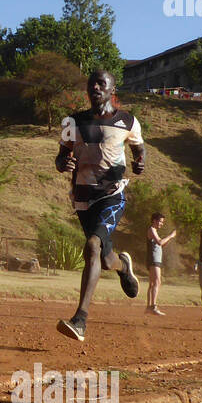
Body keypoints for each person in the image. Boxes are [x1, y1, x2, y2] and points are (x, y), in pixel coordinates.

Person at [55, 70, 145, 343]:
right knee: (105, 259)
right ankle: (122, 267)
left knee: (92, 246)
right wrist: (64, 163)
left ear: (112, 89)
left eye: (101, 83)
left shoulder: (127, 120)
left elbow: (139, 150)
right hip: (83, 198)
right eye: (91, 83)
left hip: (112, 195)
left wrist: (140, 163)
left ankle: (80, 319)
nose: (95, 87)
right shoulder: (73, 121)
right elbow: (61, 157)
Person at [145, 212, 176, 315]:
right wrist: (171, 236)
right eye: (160, 221)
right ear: (154, 220)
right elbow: (160, 242)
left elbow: (160, 245)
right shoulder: (152, 230)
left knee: (152, 283)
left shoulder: (154, 231)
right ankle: (153, 306)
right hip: (154, 259)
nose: (161, 224)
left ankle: (149, 307)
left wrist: (168, 239)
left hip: (154, 259)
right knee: (157, 282)